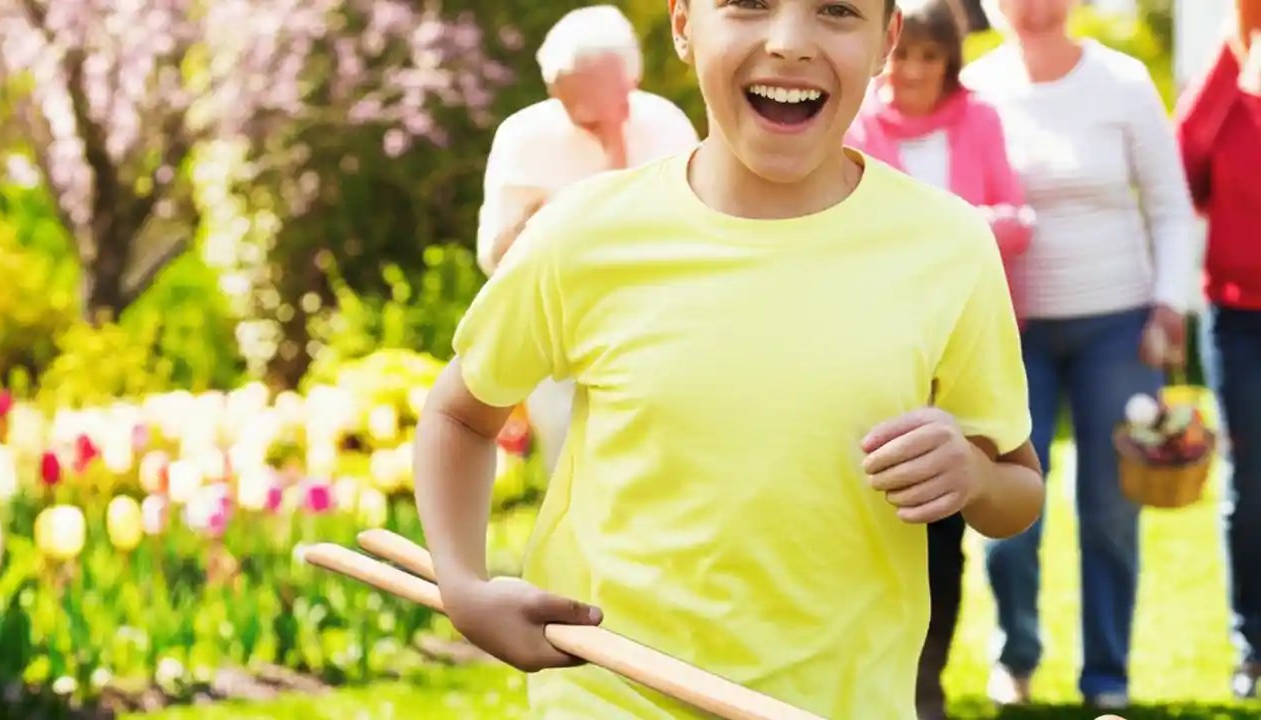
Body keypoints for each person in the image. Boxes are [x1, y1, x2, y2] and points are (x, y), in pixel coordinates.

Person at [415, 0, 1047, 717]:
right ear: (684, 25)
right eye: (748, 5)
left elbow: (1018, 489)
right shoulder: (585, 233)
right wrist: (462, 585)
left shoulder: (948, 246)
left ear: (885, 41)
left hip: (838, 702)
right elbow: (461, 415)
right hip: (608, 692)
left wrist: (972, 475)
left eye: (836, 11)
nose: (788, 44)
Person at [961, 0, 1198, 710]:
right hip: (1010, 330)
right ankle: (1017, 655)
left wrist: (1168, 304)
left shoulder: (1122, 84)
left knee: (1109, 511)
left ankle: (1107, 679)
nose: (1032, 9)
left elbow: (1170, 207)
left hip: (1117, 325)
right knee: (1007, 508)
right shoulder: (978, 88)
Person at [845, 1, 1033, 717]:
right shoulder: (857, 123)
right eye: (906, 55)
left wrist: (955, 229)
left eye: (931, 57)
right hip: (884, 347)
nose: (915, 70)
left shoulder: (978, 118)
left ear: (949, 61)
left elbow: (1015, 220)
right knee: (884, 516)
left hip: (967, 347)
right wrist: (962, 227)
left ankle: (925, 683)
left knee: (946, 525)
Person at [476, 5, 701, 477]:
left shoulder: (666, 126)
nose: (593, 126)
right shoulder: (523, 138)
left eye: (607, 111)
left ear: (632, 82)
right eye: (575, 110)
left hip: (657, 331)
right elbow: (491, 257)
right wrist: (533, 226)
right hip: (559, 336)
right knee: (571, 464)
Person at [1175, 0, 1261, 699]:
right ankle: (1253, 645)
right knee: (1251, 487)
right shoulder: (1231, 83)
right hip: (1238, 315)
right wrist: (1235, 55)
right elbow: (1184, 167)